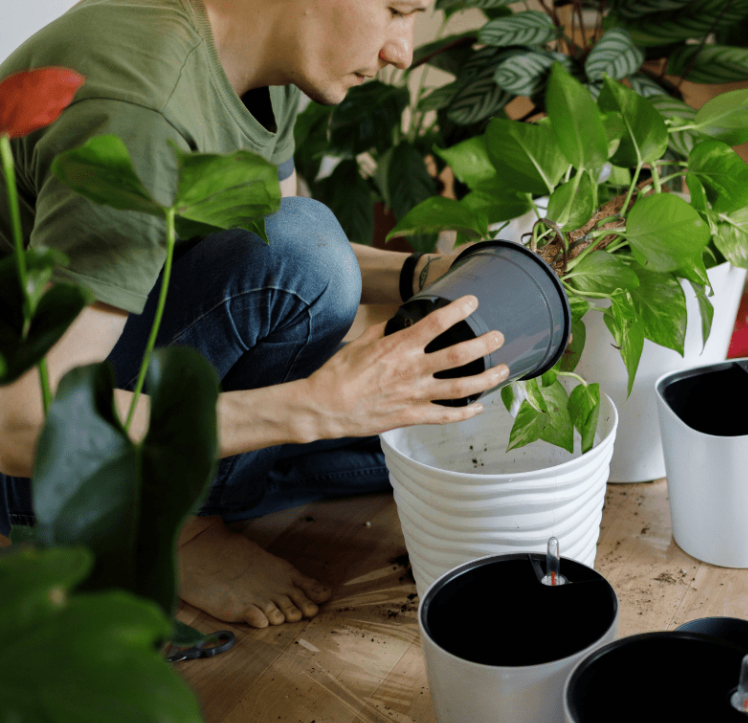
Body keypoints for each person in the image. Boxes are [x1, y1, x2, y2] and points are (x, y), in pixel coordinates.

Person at [0, 0, 508, 628]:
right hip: (28, 464)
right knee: (332, 345)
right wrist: (317, 406)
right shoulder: (142, 115)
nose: (403, 51)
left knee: (419, 439)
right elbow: (21, 426)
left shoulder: (261, 57)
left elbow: (271, 245)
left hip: (115, 361)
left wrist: (421, 274)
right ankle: (180, 530)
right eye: (398, 10)